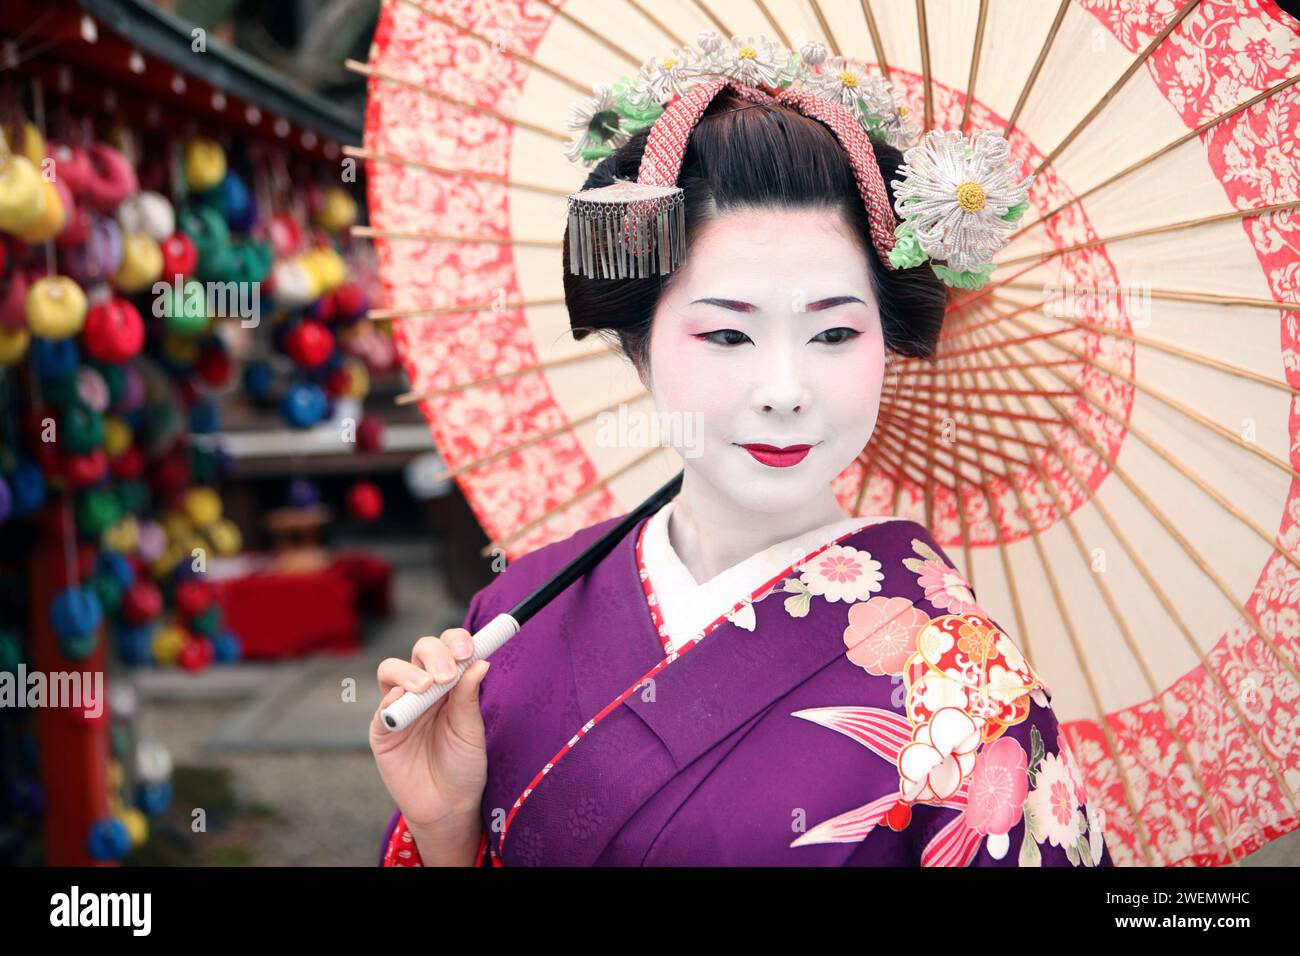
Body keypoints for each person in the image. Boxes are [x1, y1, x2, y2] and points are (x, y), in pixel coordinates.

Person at [371, 36, 1113, 867]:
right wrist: (445, 833)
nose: (785, 388)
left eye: (835, 331)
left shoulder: (967, 684)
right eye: (727, 331)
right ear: (638, 341)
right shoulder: (515, 614)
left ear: (888, 341)